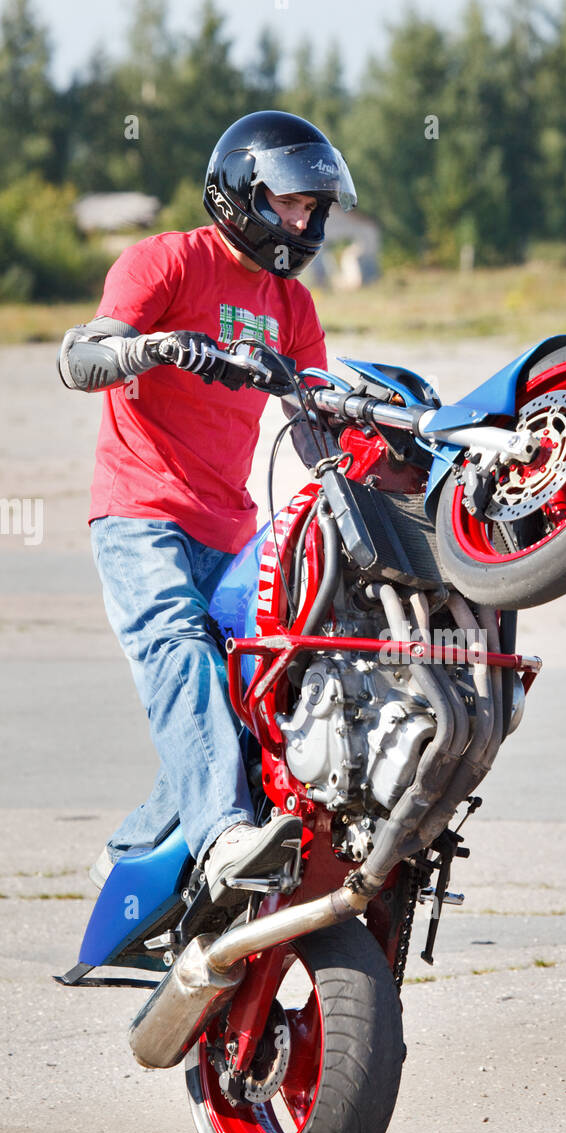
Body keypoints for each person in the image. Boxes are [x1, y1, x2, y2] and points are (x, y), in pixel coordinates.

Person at [58, 111, 357, 905]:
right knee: (178, 651)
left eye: (312, 208)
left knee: (256, 690)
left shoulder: (292, 306)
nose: (302, 221)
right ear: (241, 194)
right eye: (290, 203)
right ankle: (223, 834)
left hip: (231, 525)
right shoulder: (165, 260)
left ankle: (132, 854)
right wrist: (149, 348)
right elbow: (80, 358)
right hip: (141, 510)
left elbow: (314, 408)